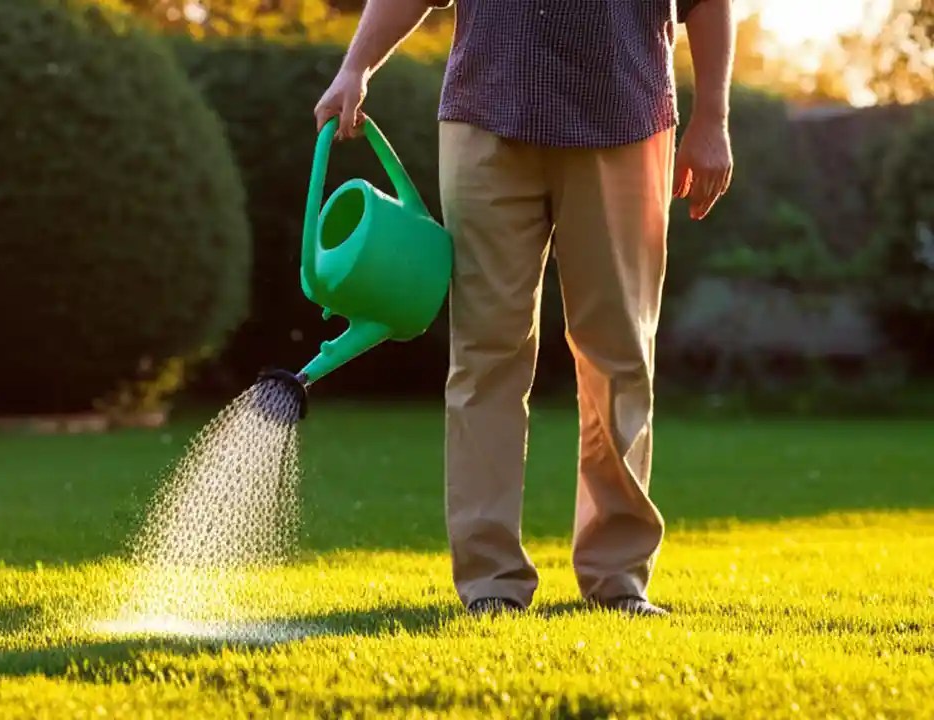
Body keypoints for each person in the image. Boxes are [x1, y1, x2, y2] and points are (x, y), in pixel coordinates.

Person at [315, 0, 735, 617]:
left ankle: (617, 578)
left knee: (618, 354)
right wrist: (356, 67)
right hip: (486, 116)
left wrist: (714, 119)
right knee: (486, 353)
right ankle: (490, 582)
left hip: (628, 117)